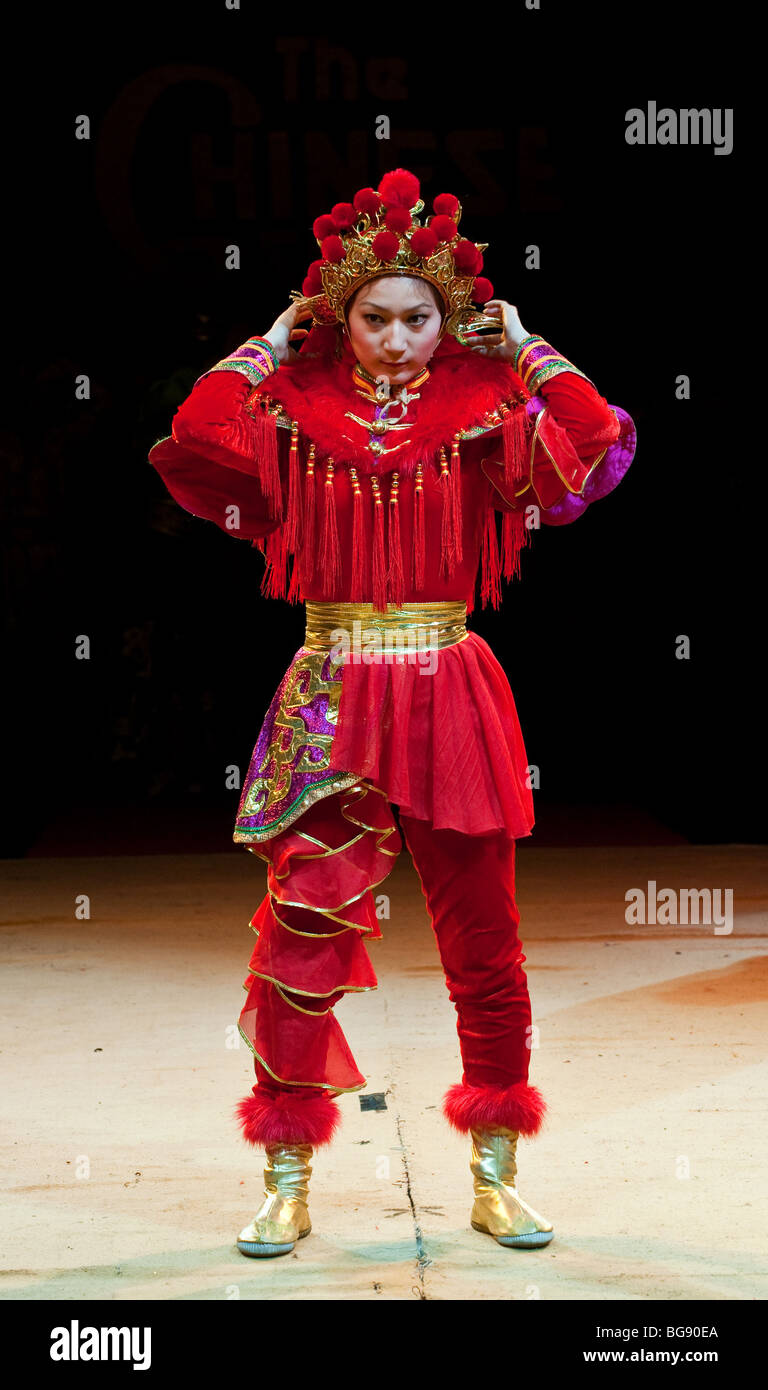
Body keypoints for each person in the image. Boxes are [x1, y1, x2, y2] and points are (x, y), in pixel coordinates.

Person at [149, 167, 636, 1259]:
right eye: (375, 317)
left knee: (485, 943)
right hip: (330, 694)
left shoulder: (483, 414)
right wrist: (272, 340)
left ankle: (495, 1175)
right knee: (297, 941)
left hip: (448, 686)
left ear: (448, 318)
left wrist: (524, 346)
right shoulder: (292, 414)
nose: (399, 339)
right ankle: (286, 1178)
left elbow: (594, 430)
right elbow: (195, 425)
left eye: (421, 318)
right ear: (341, 316)